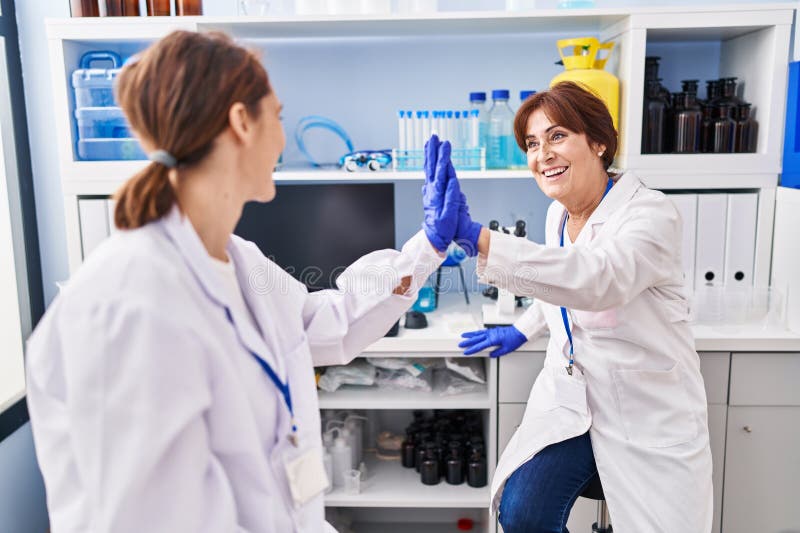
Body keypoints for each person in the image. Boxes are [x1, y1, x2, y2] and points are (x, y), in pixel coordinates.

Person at [25, 31, 464, 533]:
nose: (282, 134)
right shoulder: (128, 306)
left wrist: (427, 248)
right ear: (240, 122)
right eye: (276, 116)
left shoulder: (239, 259)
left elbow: (325, 323)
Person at [453, 82, 713, 532]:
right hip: (573, 403)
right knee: (522, 512)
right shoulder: (558, 214)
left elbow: (598, 279)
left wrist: (480, 239)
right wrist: (524, 328)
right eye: (532, 144)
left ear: (598, 142)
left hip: (644, 413)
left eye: (557, 137)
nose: (542, 154)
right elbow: (564, 284)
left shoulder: (650, 214)